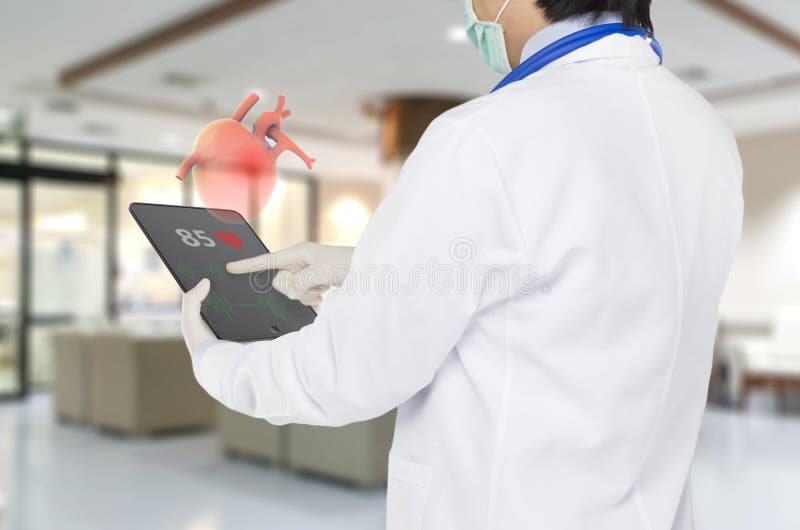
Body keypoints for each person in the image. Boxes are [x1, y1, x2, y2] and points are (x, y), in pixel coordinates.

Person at [181, 1, 743, 528]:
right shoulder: (705, 132)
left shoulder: (485, 135)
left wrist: (218, 361)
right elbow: (597, 284)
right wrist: (375, 268)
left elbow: (349, 371)